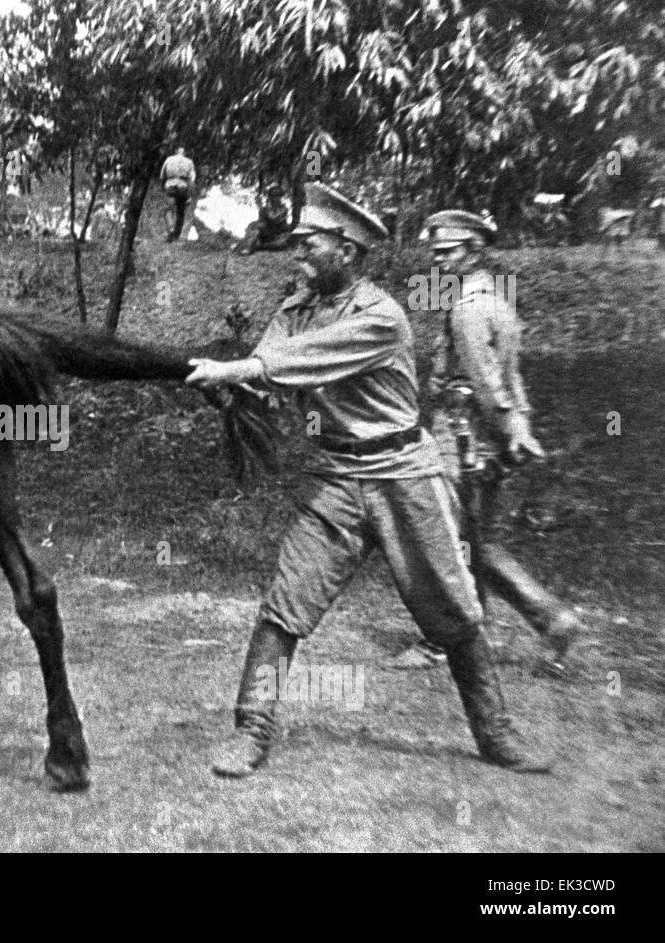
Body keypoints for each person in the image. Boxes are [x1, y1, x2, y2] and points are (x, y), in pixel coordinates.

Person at [186, 182, 551, 779]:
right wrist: (227, 387)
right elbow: (267, 375)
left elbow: (302, 360)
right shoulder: (293, 311)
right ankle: (251, 730)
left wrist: (243, 367)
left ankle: (496, 733)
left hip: (405, 473)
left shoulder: (382, 316)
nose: (297, 252)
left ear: (349, 251)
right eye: (299, 243)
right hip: (336, 474)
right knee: (286, 602)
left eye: (311, 244)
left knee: (454, 611)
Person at [385, 210, 583, 670]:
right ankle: (537, 622)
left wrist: (509, 423)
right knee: (474, 539)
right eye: (435, 253)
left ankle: (448, 639)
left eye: (449, 252)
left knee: (445, 537)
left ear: (473, 251)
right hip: (483, 435)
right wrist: (520, 426)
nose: (440, 261)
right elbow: (511, 380)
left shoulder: (469, 308)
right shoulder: (497, 301)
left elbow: (488, 381)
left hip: (462, 434)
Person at [237, 183, 292, 255]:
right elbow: (262, 221)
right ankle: (246, 245)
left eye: (276, 197)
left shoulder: (283, 209)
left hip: (278, 236)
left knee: (256, 226)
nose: (273, 199)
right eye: (272, 196)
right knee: (253, 225)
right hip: (268, 234)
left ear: (280, 198)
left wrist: (262, 207)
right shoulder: (265, 209)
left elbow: (273, 219)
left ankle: (248, 247)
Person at [160, 147, 196, 243]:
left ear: (176, 152)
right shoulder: (189, 162)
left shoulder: (169, 159)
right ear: (185, 153)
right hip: (182, 187)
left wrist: (163, 187)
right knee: (180, 212)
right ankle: (176, 235)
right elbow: (192, 179)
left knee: (168, 209)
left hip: (170, 186)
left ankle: (171, 229)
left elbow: (162, 176)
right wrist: (190, 195)